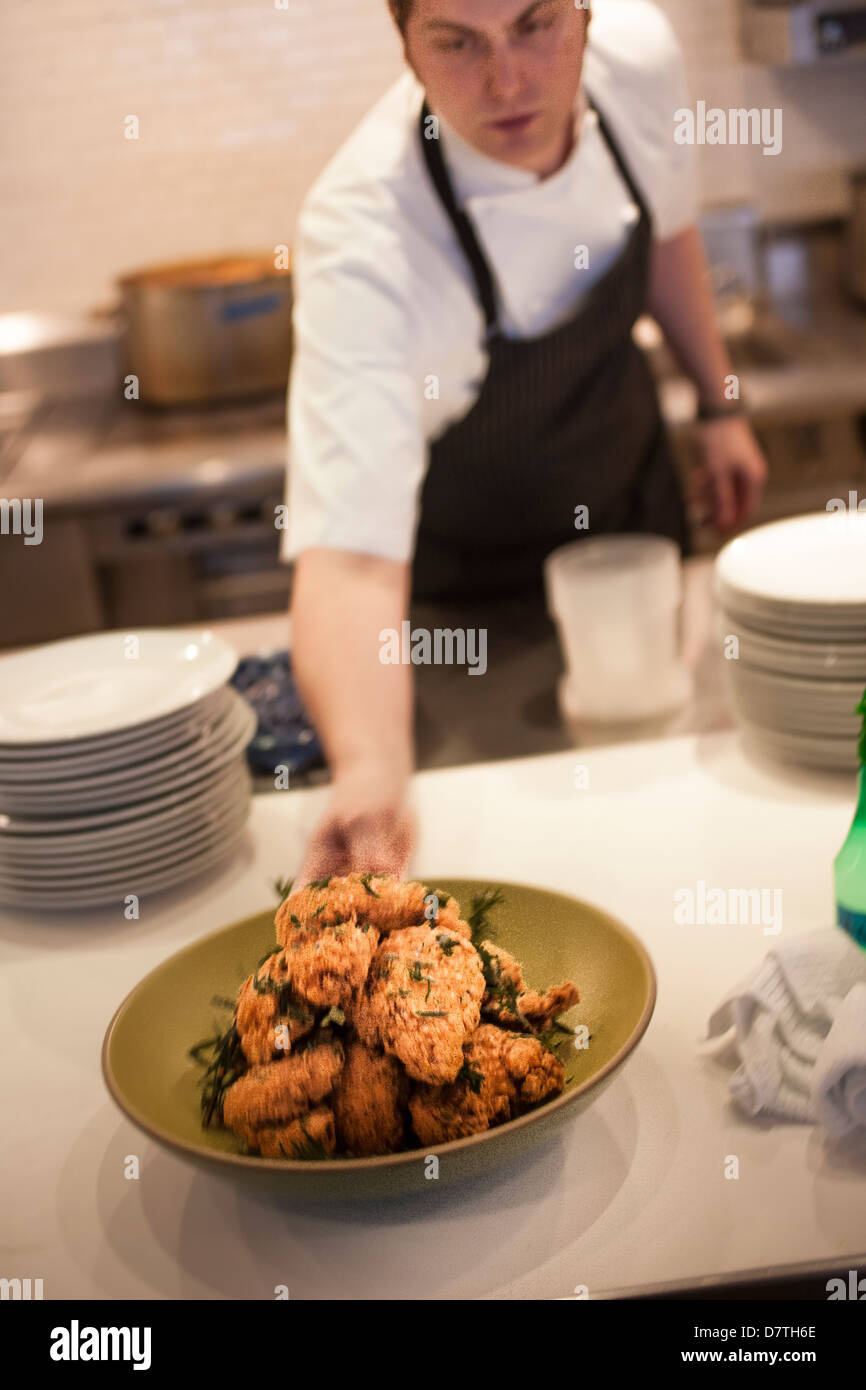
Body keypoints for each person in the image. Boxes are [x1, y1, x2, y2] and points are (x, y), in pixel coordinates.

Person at [281, 0, 768, 885]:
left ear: (584, 14)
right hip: (469, 607)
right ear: (405, 45)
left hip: (633, 527)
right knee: (522, 869)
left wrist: (720, 402)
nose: (508, 81)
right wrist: (370, 770)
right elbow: (349, 560)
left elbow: (666, 229)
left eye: (535, 25)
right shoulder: (367, 236)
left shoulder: (638, 59)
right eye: (458, 43)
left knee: (683, 839)